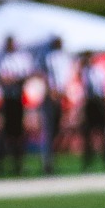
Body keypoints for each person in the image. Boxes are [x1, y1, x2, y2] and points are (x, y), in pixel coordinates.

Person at [0, 35, 34, 176]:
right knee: (5, 133)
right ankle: (2, 165)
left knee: (18, 133)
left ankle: (18, 164)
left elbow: (25, 75)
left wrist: (14, 80)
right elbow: (1, 78)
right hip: (7, 99)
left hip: (17, 99)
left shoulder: (21, 59)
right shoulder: (1, 59)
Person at [39, 34, 74, 175]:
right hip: (52, 97)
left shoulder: (65, 58)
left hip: (61, 97)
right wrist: (52, 91)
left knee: (59, 131)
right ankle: (48, 162)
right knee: (49, 131)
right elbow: (46, 76)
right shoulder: (49, 57)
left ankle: (54, 160)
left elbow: (66, 78)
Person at [79, 51, 105, 170]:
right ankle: (88, 163)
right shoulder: (84, 72)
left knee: (104, 134)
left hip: (99, 103)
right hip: (90, 104)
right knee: (87, 135)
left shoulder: (99, 70)